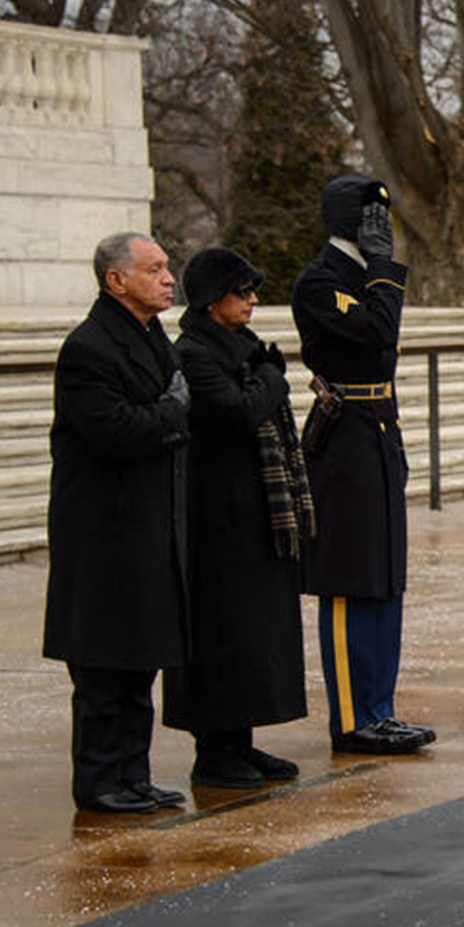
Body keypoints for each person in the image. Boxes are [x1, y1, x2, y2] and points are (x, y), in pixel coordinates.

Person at [42, 232, 192, 815]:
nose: (168, 277)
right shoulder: (90, 348)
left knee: (139, 658)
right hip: (103, 534)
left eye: (167, 267)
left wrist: (165, 415)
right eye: (154, 269)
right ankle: (101, 779)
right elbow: (116, 431)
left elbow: (159, 416)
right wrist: (171, 412)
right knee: (105, 664)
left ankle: (134, 773)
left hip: (148, 525)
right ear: (116, 280)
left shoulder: (154, 337)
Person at [291, 174, 436, 755]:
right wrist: (382, 267)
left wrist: (378, 268)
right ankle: (353, 719)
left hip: (379, 436)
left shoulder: (363, 277)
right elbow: (379, 329)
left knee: (385, 582)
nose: (383, 228)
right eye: (372, 217)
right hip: (344, 441)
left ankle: (382, 707)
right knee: (351, 583)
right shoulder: (321, 282)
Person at [164, 247, 313, 788]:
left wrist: (263, 378)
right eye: (241, 291)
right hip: (217, 515)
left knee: (255, 634)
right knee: (223, 633)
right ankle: (216, 750)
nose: (252, 300)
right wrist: (272, 380)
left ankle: (241, 742)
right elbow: (235, 413)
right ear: (210, 301)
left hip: (254, 512)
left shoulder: (240, 345)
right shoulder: (194, 352)